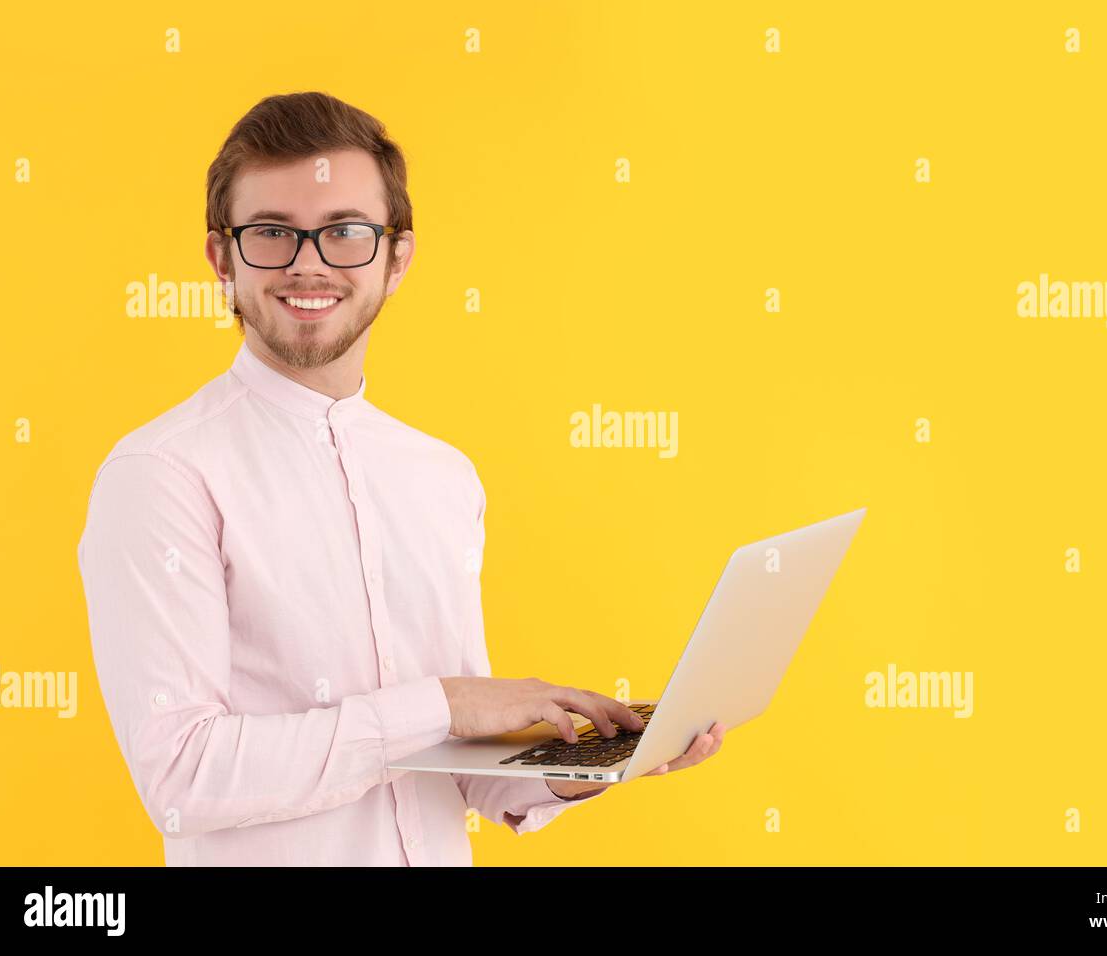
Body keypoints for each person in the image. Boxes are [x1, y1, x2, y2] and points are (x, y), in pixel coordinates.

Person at [76, 91, 724, 866]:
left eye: (345, 232)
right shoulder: (160, 476)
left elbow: (459, 770)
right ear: (222, 259)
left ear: (397, 257)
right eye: (271, 234)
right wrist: (444, 703)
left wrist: (593, 765)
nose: (308, 263)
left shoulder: (442, 476)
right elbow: (182, 777)